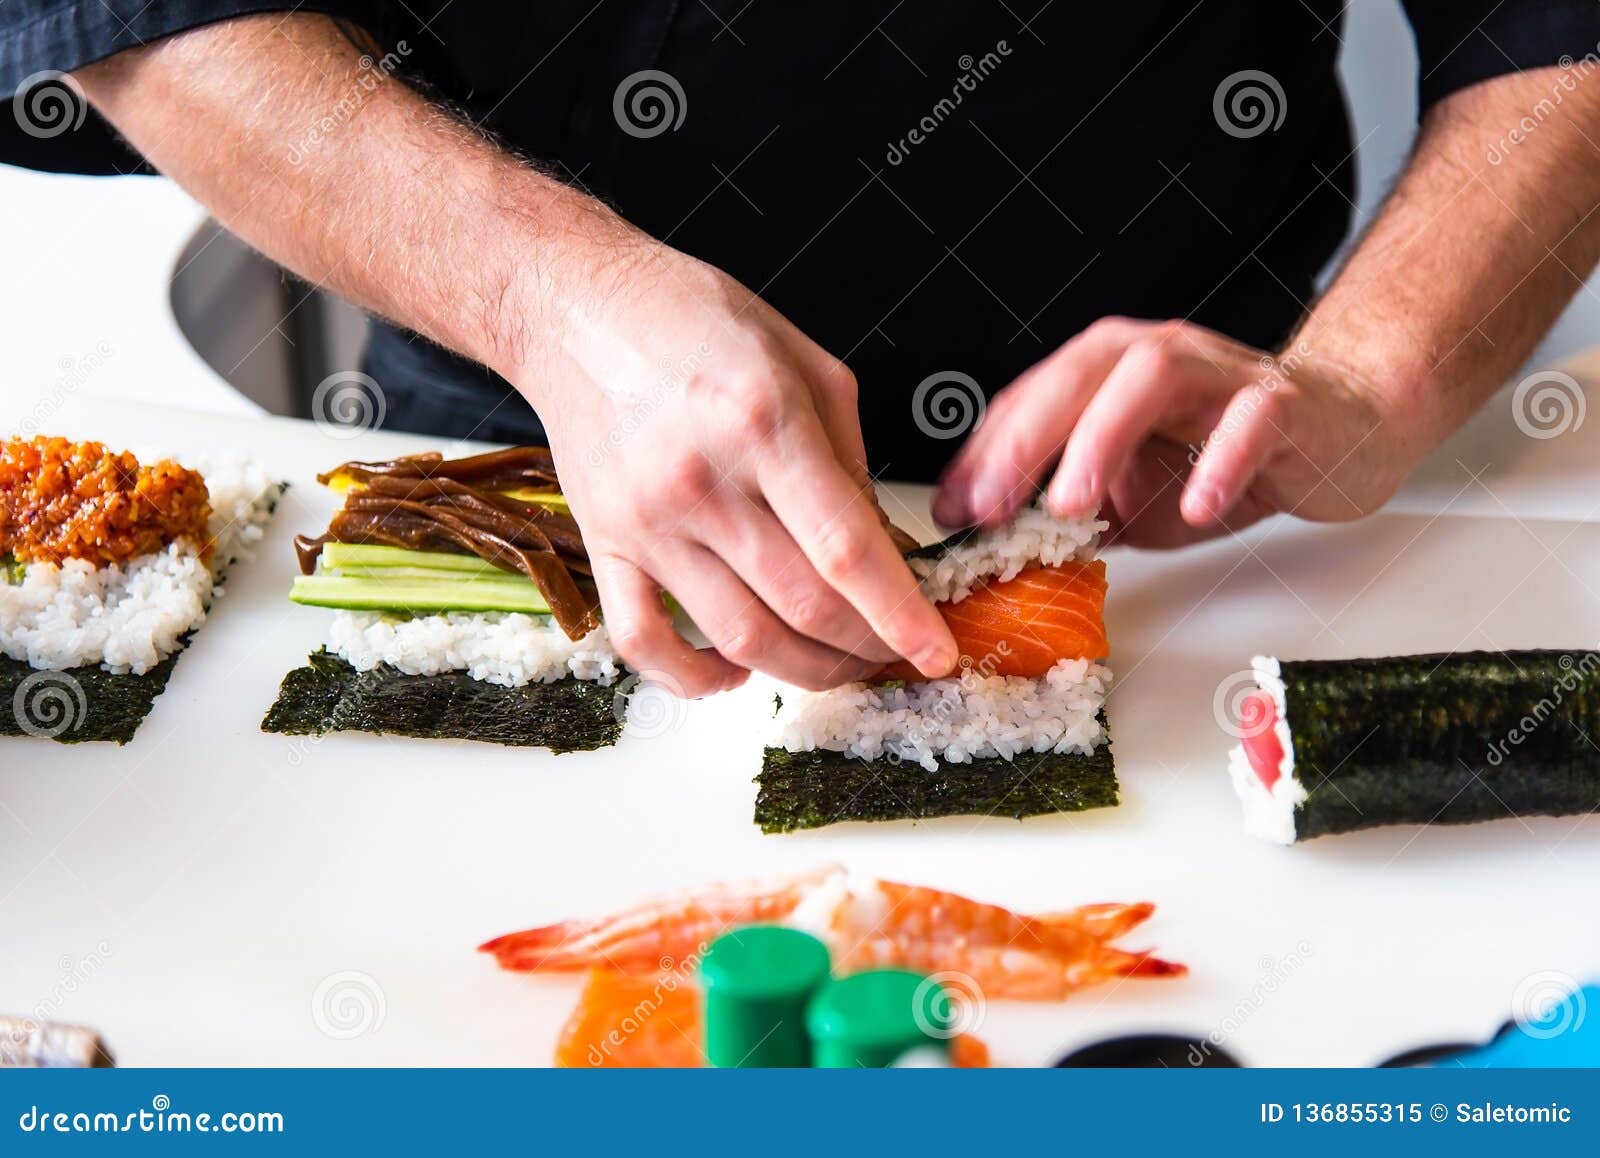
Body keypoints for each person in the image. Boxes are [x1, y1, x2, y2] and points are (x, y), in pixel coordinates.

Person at [3, 3, 1599, 697]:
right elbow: (130, 7)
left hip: (1225, 519)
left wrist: (1372, 376)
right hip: (547, 486)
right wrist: (555, 307)